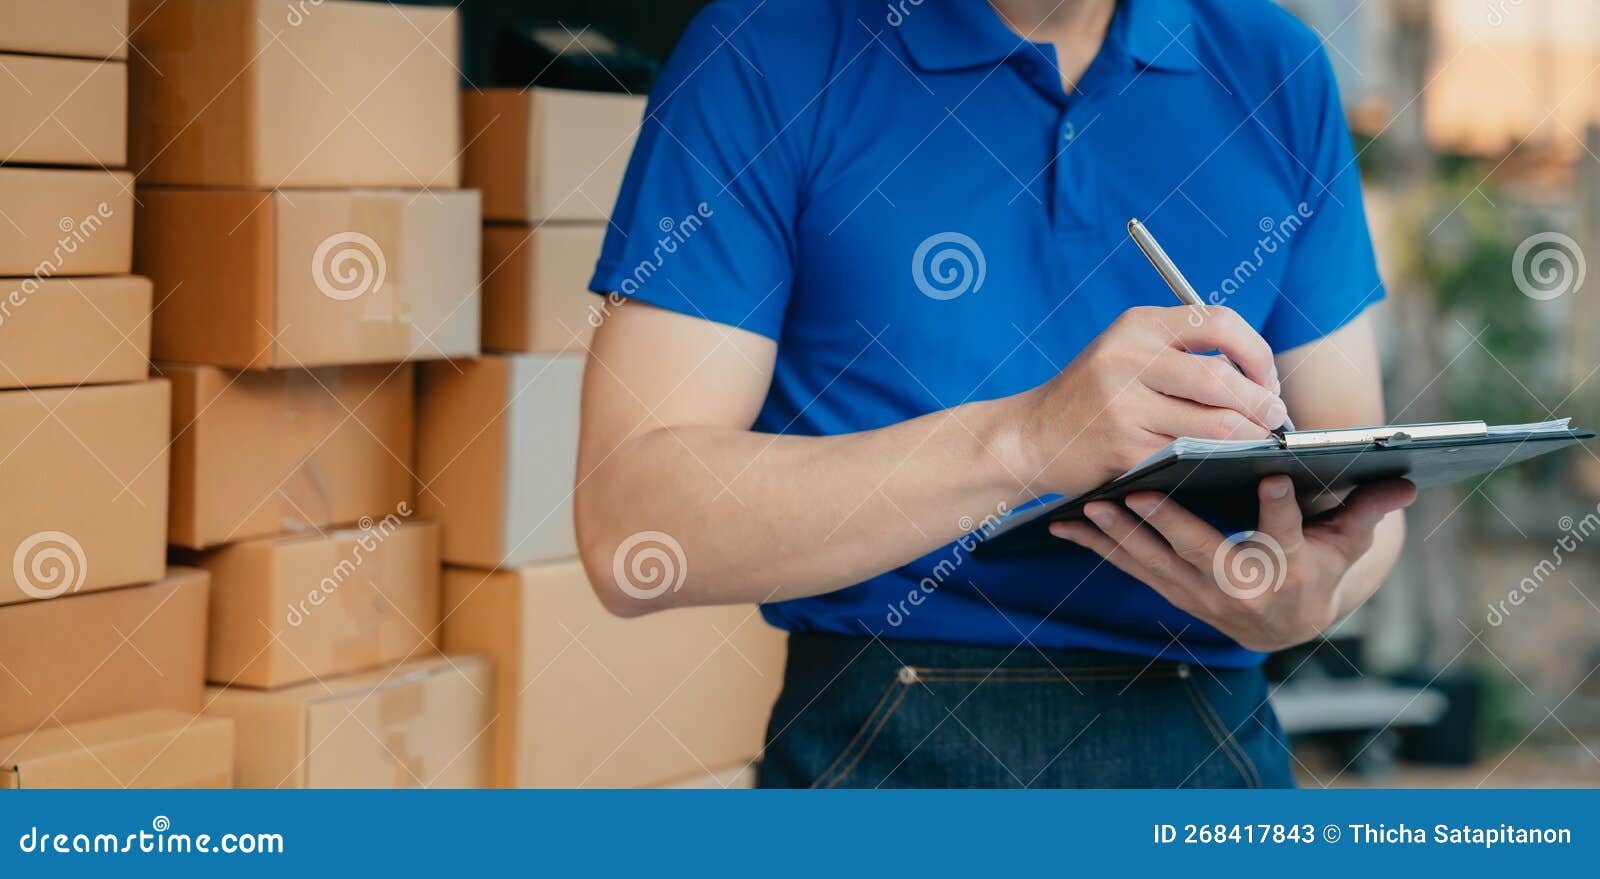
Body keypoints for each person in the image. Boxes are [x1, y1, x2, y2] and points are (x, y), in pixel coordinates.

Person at [575, 0, 1414, 788]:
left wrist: (1312, 598)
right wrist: (1026, 442)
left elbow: (1360, 480)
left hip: (1210, 739)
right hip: (880, 745)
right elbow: (632, 529)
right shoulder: (765, 49)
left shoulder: (1278, 67)